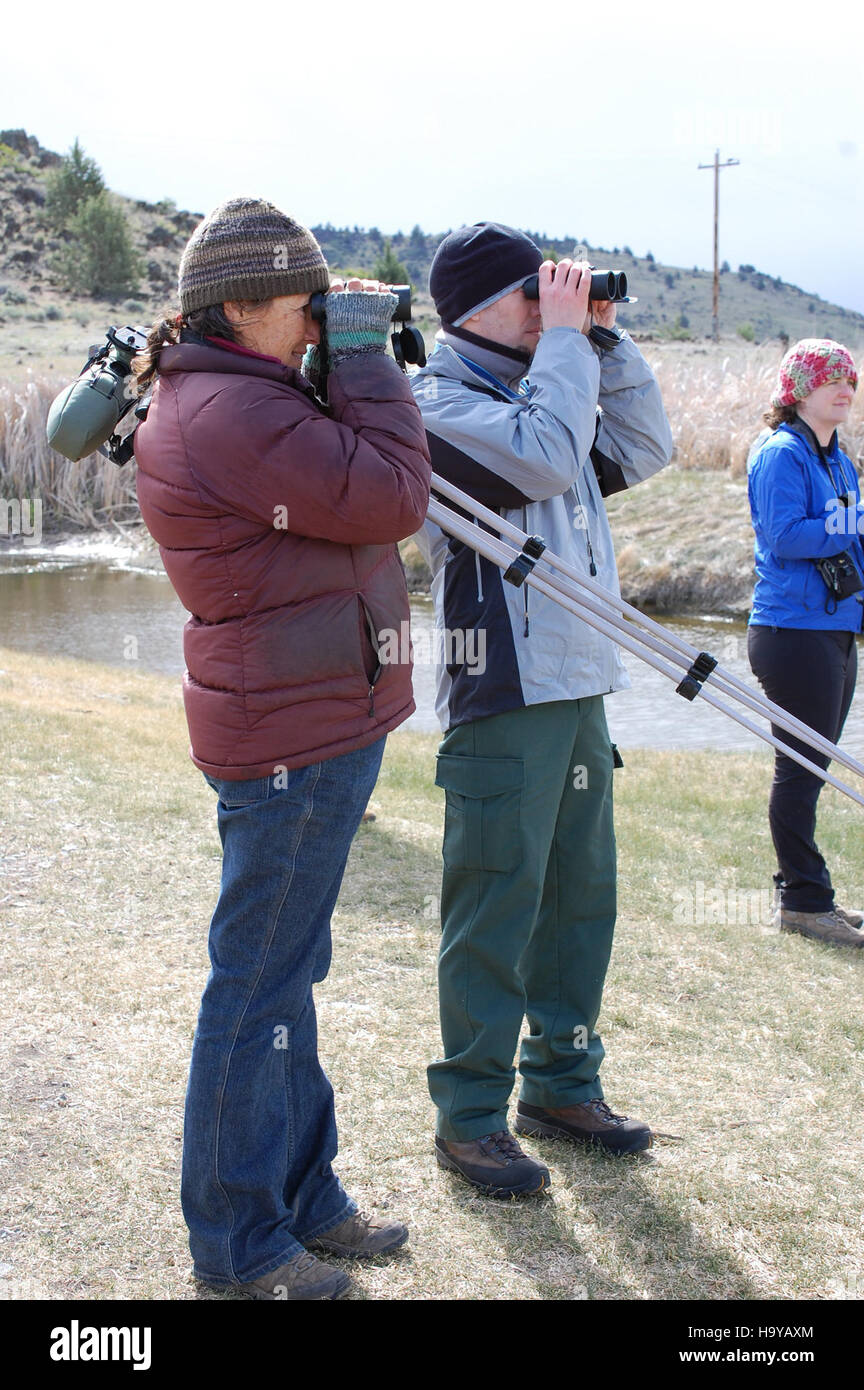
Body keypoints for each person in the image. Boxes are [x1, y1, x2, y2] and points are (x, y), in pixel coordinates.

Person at [132, 197, 431, 1298]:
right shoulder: (229, 414)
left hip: (311, 719)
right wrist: (362, 352)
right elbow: (394, 489)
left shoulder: (243, 393)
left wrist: (343, 354)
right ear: (242, 304)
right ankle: (238, 1245)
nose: (318, 317)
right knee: (255, 986)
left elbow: (352, 488)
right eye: (306, 302)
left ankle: (306, 1199)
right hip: (290, 739)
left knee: (286, 975)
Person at [410, 223, 674, 1197]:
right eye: (535, 293)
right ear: (477, 307)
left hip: (577, 688)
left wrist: (598, 335)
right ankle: (470, 1116)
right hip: (507, 693)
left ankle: (562, 1083)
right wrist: (564, 344)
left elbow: (644, 446)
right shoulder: (434, 402)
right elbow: (549, 461)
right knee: (495, 902)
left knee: (578, 901)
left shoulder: (549, 383)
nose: (549, 304)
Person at [746, 338, 863, 949]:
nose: (845, 389)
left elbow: (852, 545)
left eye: (850, 379)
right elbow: (786, 535)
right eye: (831, 380)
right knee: (800, 770)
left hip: (836, 628)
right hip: (791, 633)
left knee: (811, 769)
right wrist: (854, 522)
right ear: (799, 390)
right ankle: (804, 903)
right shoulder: (780, 453)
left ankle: (810, 895)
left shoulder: (841, 460)